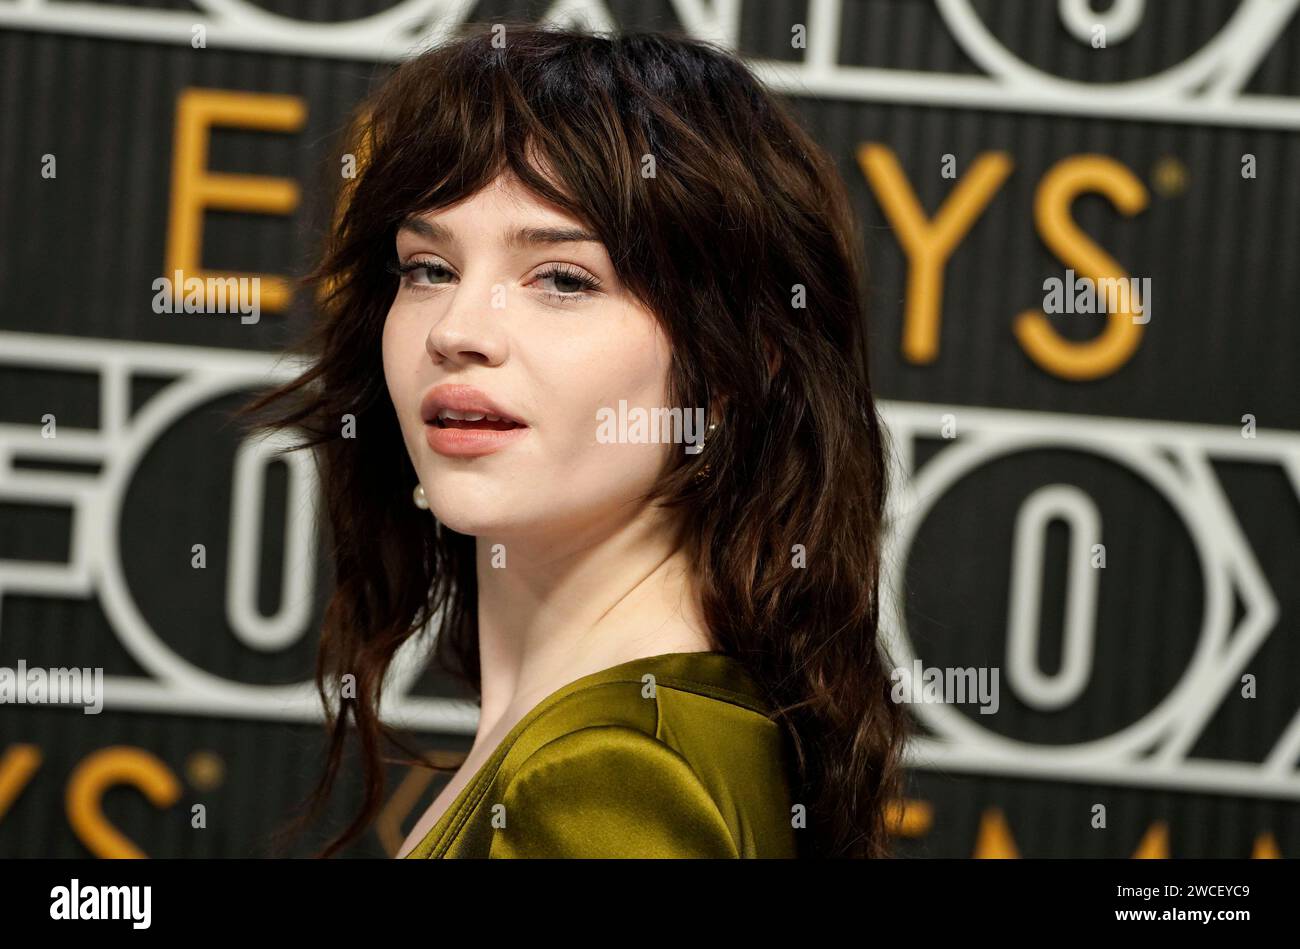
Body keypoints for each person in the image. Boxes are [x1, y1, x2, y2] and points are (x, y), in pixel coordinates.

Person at [240, 21, 908, 859]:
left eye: (562, 277)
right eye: (428, 268)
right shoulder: (615, 732)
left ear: (740, 364)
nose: (456, 330)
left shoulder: (612, 772)